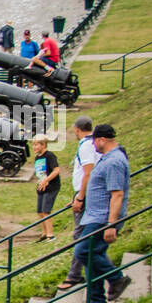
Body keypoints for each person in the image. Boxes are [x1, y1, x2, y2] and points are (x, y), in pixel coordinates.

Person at [72, 125, 130, 303]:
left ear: (101, 140)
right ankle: (96, 302)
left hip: (102, 218)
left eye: (95, 141)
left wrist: (111, 225)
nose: (94, 146)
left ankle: (116, 278)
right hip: (95, 216)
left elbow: (117, 194)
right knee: (91, 256)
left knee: (82, 251)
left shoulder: (114, 162)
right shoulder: (109, 159)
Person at [57, 116, 98, 291]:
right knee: (83, 236)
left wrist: (80, 197)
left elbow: (88, 173)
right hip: (85, 192)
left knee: (80, 236)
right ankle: (79, 273)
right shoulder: (93, 143)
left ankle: (75, 275)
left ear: (77, 129)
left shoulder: (86, 146)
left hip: (86, 194)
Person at [31, 134, 61, 241]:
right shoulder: (37, 158)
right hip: (41, 186)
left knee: (46, 211)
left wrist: (47, 180)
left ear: (44, 145)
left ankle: (50, 234)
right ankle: (44, 233)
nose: (34, 147)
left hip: (51, 186)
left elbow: (56, 170)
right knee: (40, 211)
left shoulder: (49, 156)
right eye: (33, 145)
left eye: (36, 145)